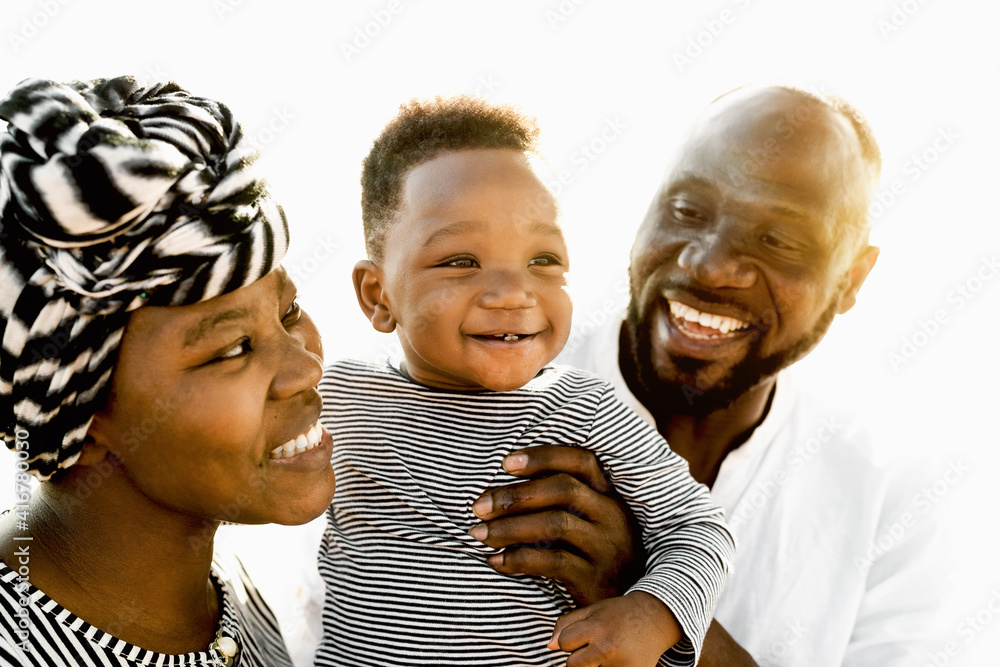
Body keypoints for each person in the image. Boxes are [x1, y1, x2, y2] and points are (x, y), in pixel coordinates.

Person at [313, 96, 736, 667]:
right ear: (377, 295)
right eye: (461, 261)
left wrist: (653, 610)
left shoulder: (584, 408)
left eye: (543, 260)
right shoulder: (340, 399)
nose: (514, 291)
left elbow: (699, 528)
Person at [551, 84, 948, 665]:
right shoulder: (468, 399)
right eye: (687, 211)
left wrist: (651, 598)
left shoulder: (894, 499)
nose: (708, 265)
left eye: (777, 240)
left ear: (851, 280)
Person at [0, 76, 336, 665]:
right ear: (81, 412)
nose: (305, 368)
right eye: (232, 348)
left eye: (290, 310)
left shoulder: (216, 579)